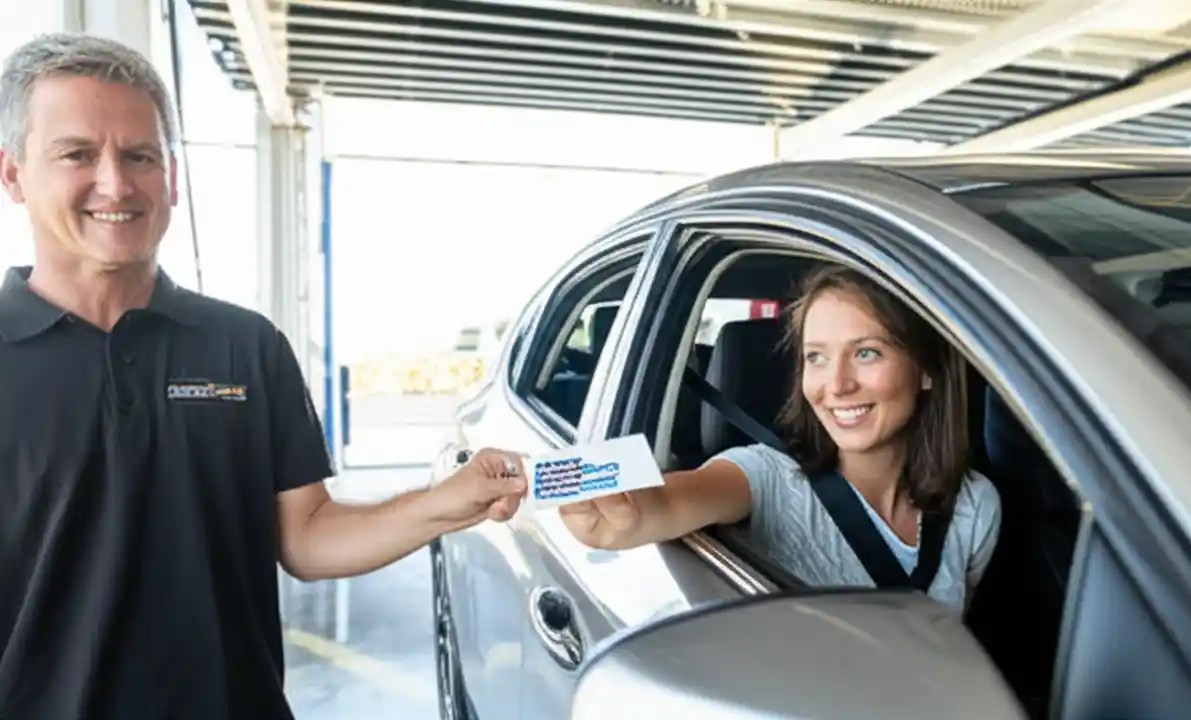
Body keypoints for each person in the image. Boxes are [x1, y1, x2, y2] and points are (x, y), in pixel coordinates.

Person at [0, 33, 527, 719]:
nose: (116, 183)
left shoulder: (245, 346)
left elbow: (307, 537)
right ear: (12, 174)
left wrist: (444, 501)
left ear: (173, 179)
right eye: (77, 154)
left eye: (141, 156)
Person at [561, 265, 1002, 613]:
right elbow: (666, 502)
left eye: (867, 353)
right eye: (816, 357)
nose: (837, 384)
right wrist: (608, 508)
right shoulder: (765, 477)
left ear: (925, 370)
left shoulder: (975, 506)